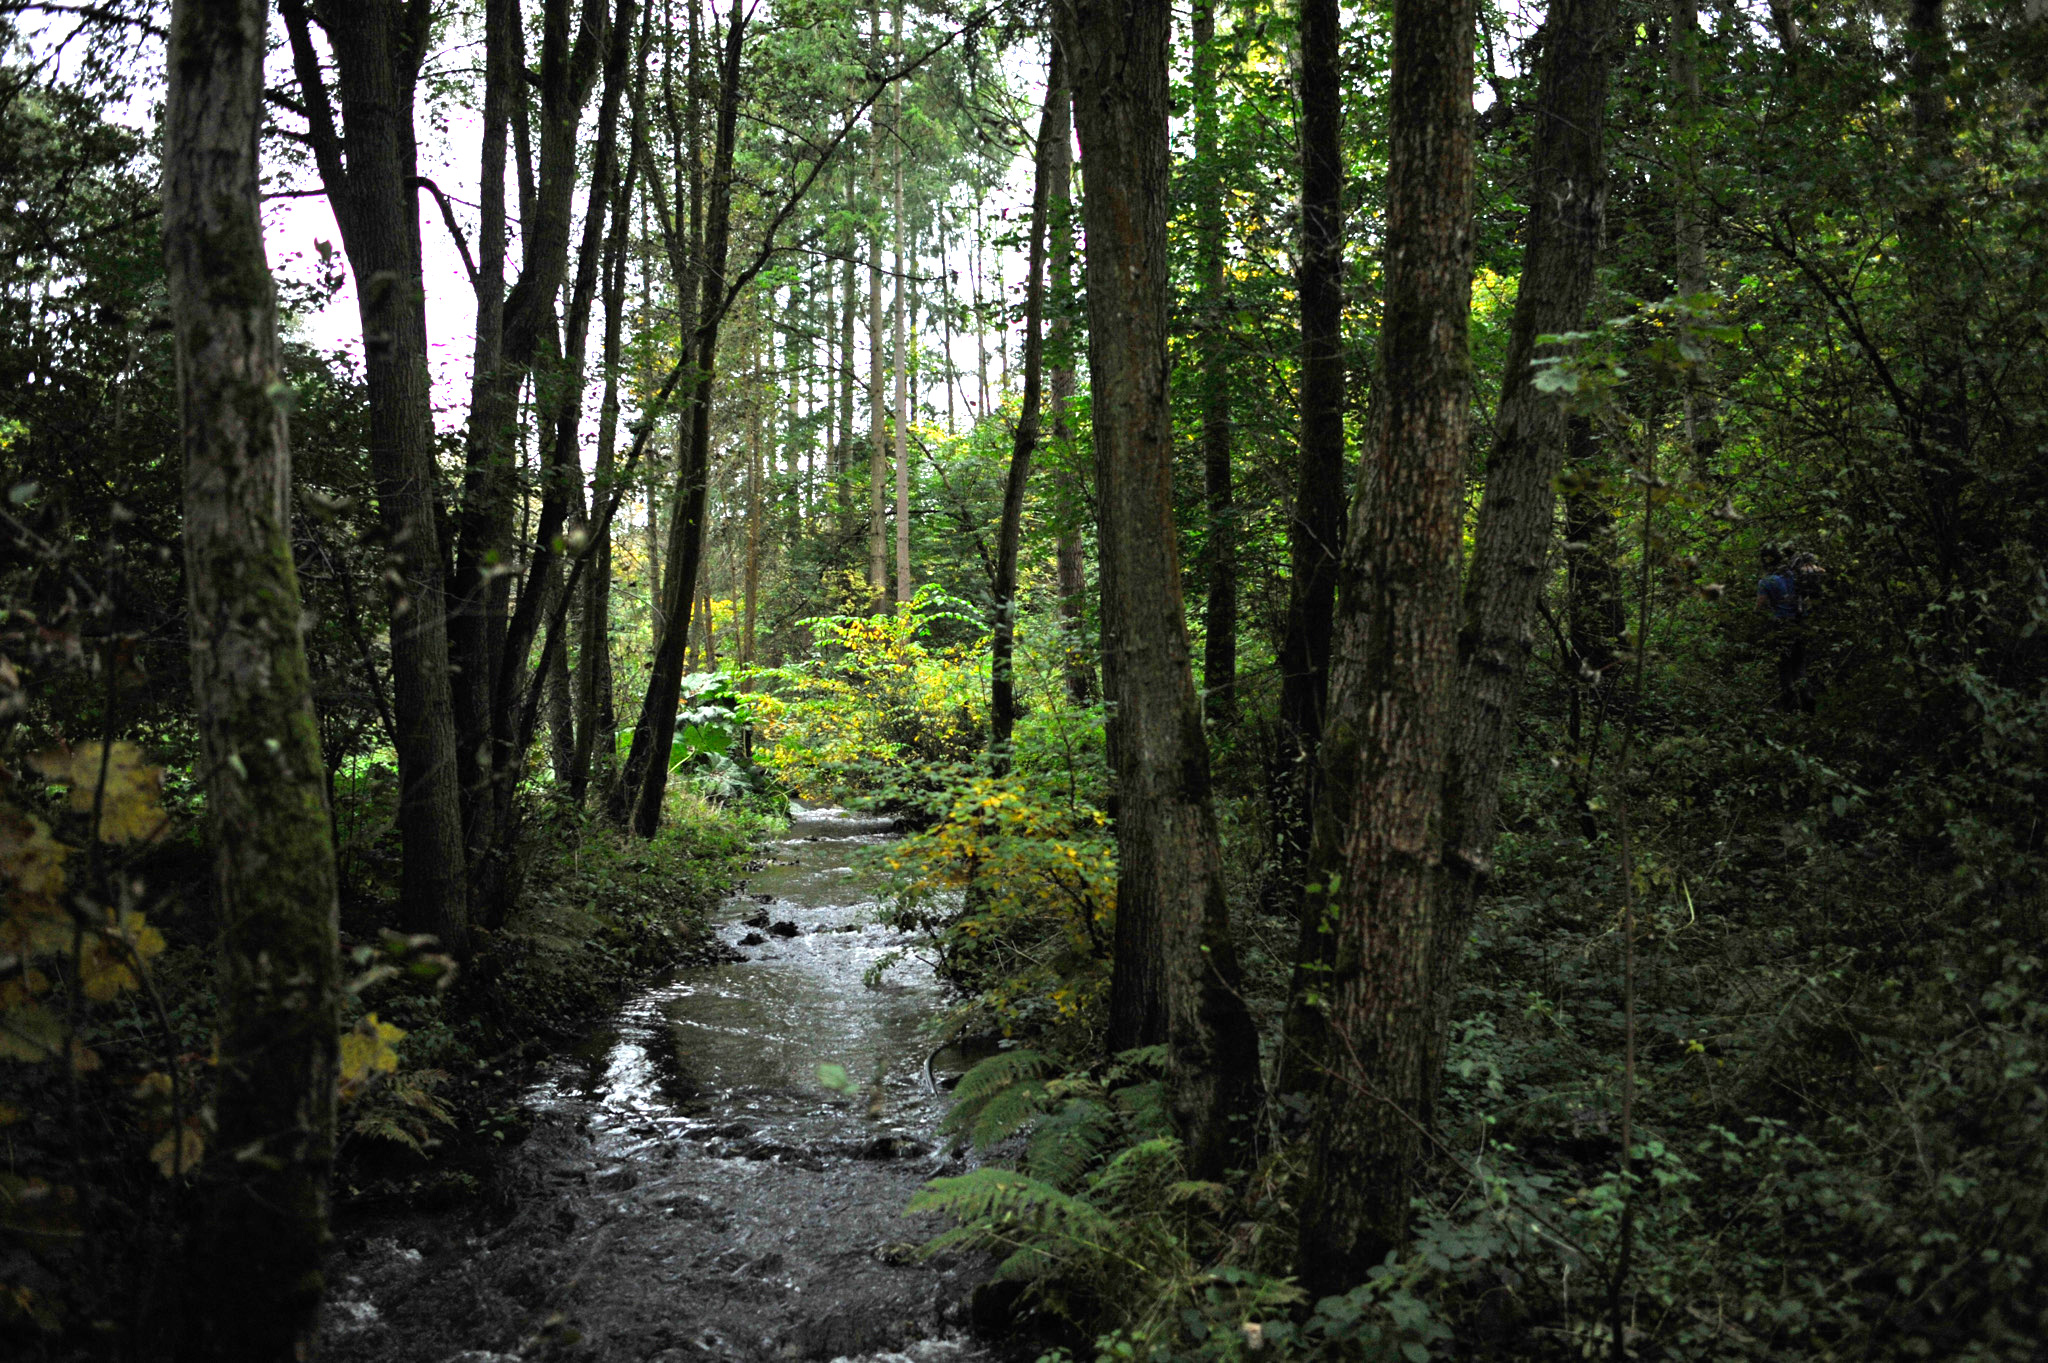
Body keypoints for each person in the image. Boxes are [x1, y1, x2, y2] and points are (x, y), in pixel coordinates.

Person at [1757, 549, 1825, 712]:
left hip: (1781, 626)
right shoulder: (1794, 576)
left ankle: (1790, 705)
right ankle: (1807, 698)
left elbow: (1759, 607)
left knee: (1784, 666)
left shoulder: (1766, 581)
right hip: (1801, 623)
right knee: (1799, 664)